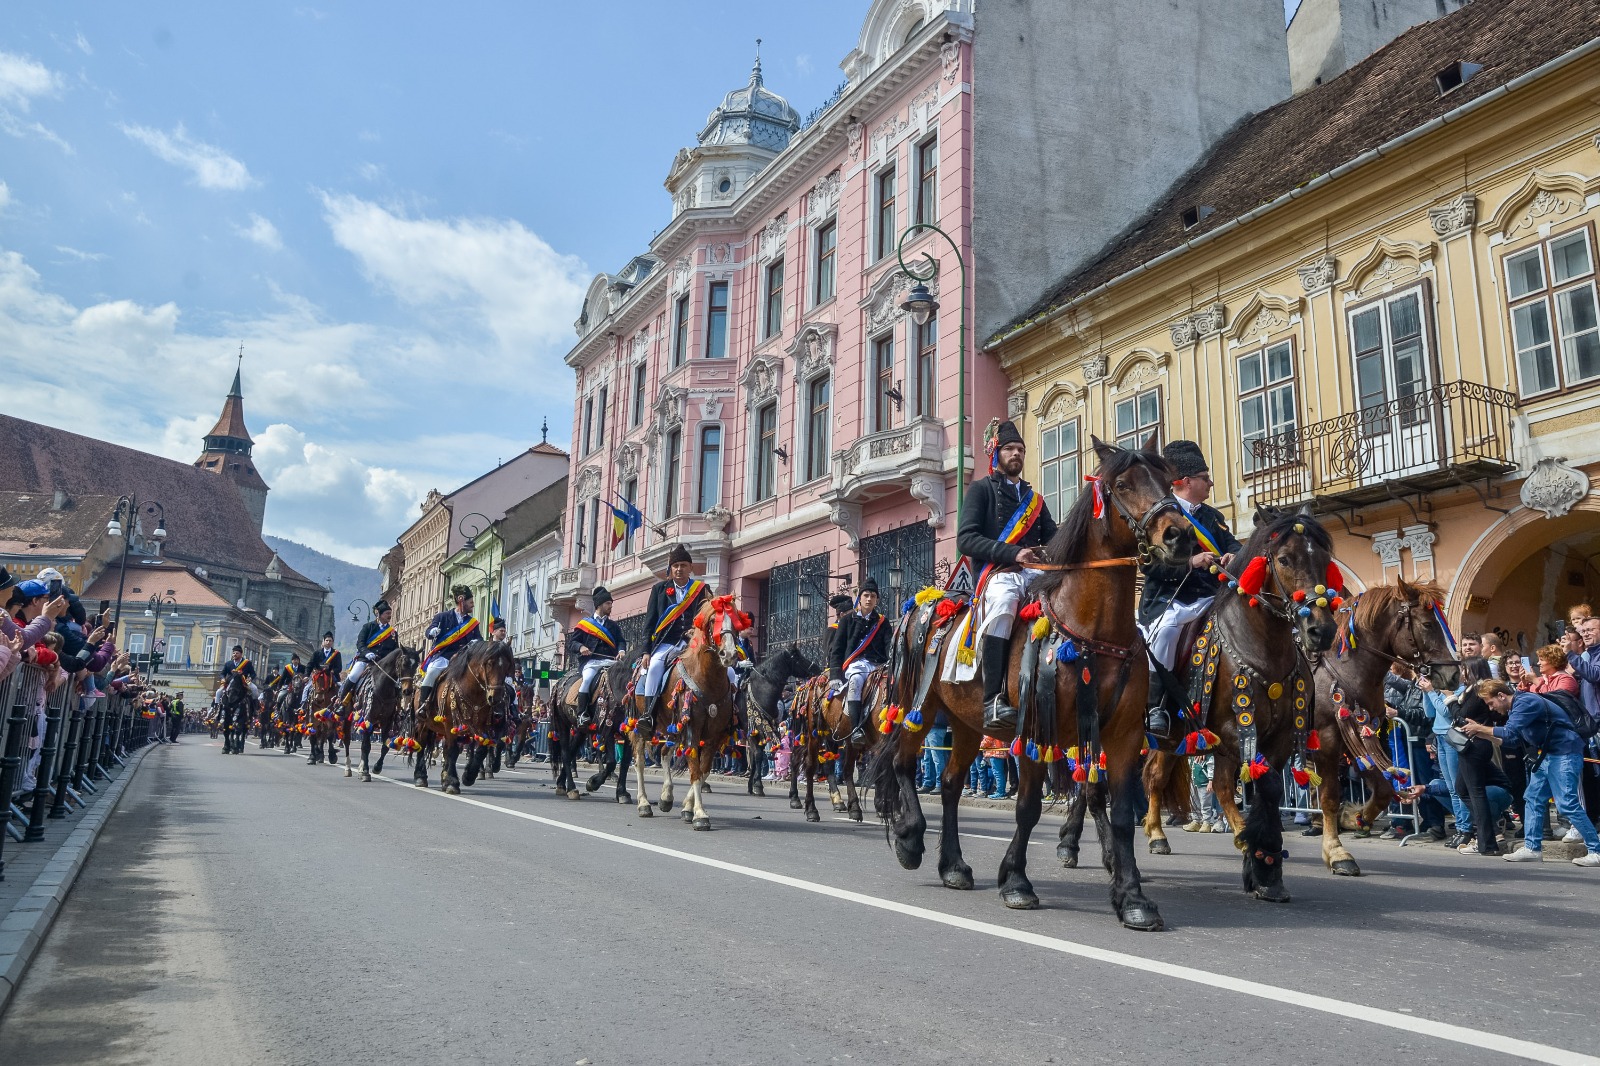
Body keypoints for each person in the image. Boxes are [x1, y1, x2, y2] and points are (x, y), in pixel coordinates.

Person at [955, 419, 1058, 730]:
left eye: (1021, 450)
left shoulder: (1035, 500)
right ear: (996, 453)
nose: (1016, 454)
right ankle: (993, 699)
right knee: (1004, 603)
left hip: (1034, 574)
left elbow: (1054, 539)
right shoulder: (981, 490)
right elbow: (966, 539)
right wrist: (1013, 553)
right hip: (998, 573)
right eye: (1010, 449)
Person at [1137, 440, 1241, 738]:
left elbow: (1234, 545)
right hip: (1171, 599)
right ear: (1185, 481)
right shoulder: (1159, 516)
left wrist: (1234, 556)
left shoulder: (1213, 517)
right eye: (1205, 478)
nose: (1210, 483)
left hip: (1213, 596)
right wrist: (1190, 563)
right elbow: (1149, 565)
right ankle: (1156, 707)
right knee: (1166, 632)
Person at [1462, 679, 1600, 866]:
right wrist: (1483, 734)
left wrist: (1479, 727)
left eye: (1491, 703)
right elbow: (1512, 740)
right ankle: (1532, 848)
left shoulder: (1526, 702)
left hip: (1564, 753)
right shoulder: (1518, 707)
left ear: (1501, 695)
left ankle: (1596, 851)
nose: (1491, 708)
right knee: (1533, 799)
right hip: (1549, 755)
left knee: (1567, 803)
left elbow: (1509, 732)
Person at [636, 545, 708, 726]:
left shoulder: (702, 589)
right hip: (666, 643)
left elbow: (708, 616)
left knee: (726, 670)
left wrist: (696, 630)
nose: (679, 569)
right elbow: (649, 623)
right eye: (675, 565)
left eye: (683, 565)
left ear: (690, 567)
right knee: (654, 668)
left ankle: (729, 716)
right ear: (670, 568)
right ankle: (648, 715)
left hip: (693, 643)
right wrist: (646, 652)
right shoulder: (659, 590)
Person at [830, 577, 889, 743]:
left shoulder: (882, 622)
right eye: (866, 595)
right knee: (855, 681)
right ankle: (856, 728)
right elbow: (837, 649)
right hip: (856, 665)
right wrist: (834, 675)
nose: (869, 599)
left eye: (873, 596)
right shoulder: (846, 621)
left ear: (877, 600)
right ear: (860, 598)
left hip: (878, 665)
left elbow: (888, 645)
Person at [419, 585, 483, 716]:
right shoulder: (442, 617)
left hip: (464, 658)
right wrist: (432, 631)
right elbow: (428, 632)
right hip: (444, 656)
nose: (473, 605)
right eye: (471, 602)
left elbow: (479, 640)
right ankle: (423, 704)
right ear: (461, 600)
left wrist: (477, 643)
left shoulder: (472, 623)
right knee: (431, 672)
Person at [569, 585, 625, 727]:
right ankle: (582, 713)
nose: (610, 606)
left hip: (610, 662)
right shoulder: (584, 624)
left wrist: (621, 651)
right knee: (587, 679)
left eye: (611, 603)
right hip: (592, 662)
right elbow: (572, 643)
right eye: (608, 603)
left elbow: (621, 641)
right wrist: (581, 647)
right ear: (599, 604)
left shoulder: (613, 625)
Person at [337, 600, 399, 706]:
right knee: (353, 675)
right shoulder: (368, 627)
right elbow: (360, 643)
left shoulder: (392, 632)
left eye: (390, 613)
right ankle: (341, 702)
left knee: (396, 682)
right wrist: (367, 653)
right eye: (387, 613)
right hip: (366, 660)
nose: (389, 616)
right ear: (379, 614)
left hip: (383, 664)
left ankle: (397, 706)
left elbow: (395, 650)